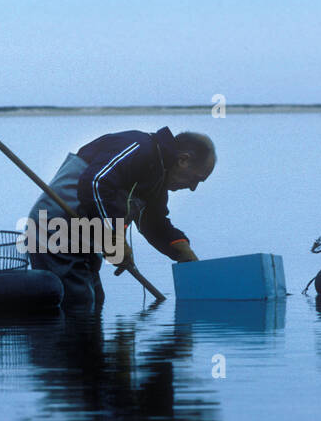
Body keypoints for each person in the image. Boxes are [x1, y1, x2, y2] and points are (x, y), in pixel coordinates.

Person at [27, 127, 214, 312]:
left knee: (95, 301)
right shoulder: (140, 147)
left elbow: (153, 223)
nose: (193, 188)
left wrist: (181, 250)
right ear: (183, 160)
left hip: (85, 237)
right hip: (55, 229)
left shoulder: (157, 178)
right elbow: (95, 183)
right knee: (79, 303)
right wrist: (113, 238)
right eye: (196, 179)